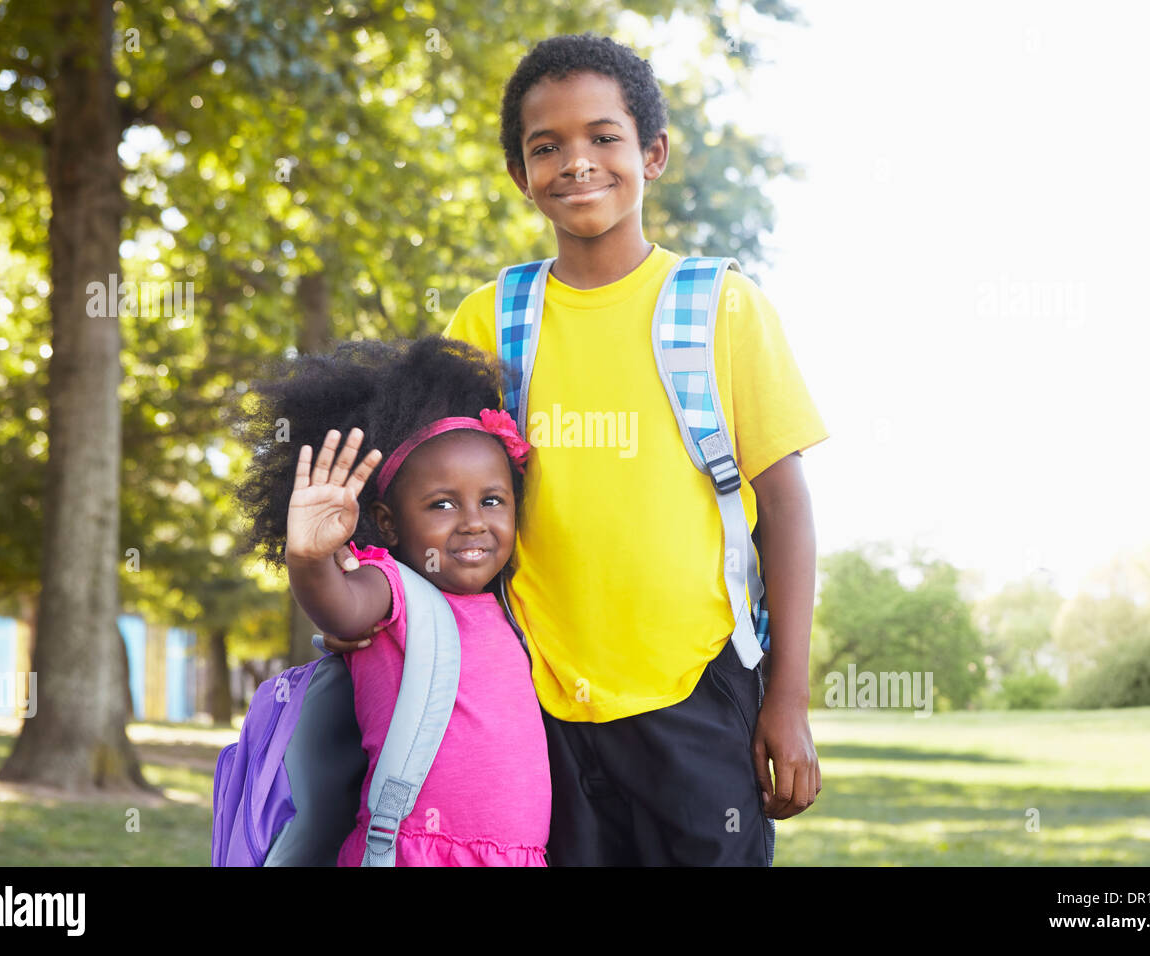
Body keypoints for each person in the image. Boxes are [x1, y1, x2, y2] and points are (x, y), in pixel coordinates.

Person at [328, 33, 829, 866]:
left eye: (604, 137)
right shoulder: (493, 319)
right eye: (546, 147)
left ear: (653, 153)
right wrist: (354, 585)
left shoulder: (722, 307)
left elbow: (786, 505)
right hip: (531, 698)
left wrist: (789, 698)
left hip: (698, 692)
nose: (577, 162)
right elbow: (419, 483)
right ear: (521, 176)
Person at [234, 335, 550, 866]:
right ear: (387, 523)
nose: (473, 520)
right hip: (415, 853)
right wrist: (309, 559)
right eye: (442, 504)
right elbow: (340, 606)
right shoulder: (395, 589)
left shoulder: (513, 603)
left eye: (492, 500)